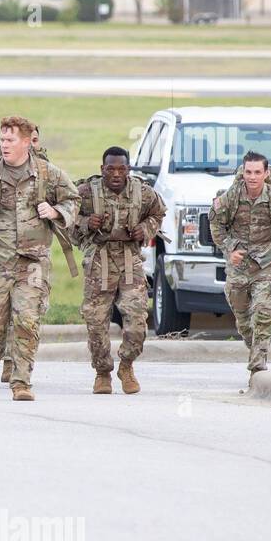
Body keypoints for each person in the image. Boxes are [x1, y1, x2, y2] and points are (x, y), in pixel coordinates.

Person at [0, 116, 79, 401]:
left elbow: (73, 200)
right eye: (2, 139)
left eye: (10, 140)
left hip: (32, 262)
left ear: (27, 142)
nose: (4, 145)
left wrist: (56, 212)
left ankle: (21, 381)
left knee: (27, 321)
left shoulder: (48, 174)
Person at [72, 146, 166, 394]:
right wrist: (84, 223)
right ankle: (102, 372)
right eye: (110, 169)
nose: (116, 174)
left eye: (121, 168)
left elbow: (158, 213)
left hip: (129, 260)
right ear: (102, 169)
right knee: (96, 321)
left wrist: (145, 229)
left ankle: (127, 366)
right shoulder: (85, 193)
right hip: (99, 261)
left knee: (137, 320)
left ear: (128, 169)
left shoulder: (142, 193)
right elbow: (65, 219)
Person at [211, 150, 271, 375]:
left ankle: (258, 365)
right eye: (248, 172)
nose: (252, 177)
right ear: (243, 172)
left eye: (257, 172)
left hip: (267, 266)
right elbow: (216, 225)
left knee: (263, 312)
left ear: (265, 173)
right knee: (244, 321)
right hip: (239, 267)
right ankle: (256, 348)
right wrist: (230, 249)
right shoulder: (231, 196)